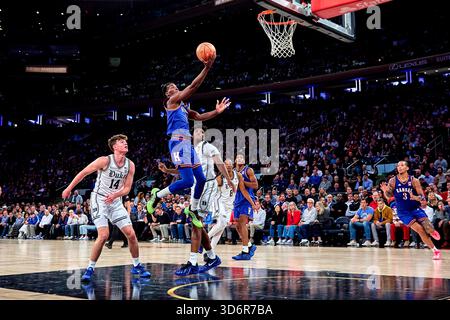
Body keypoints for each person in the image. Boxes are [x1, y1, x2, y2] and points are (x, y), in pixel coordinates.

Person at [145, 54, 231, 276]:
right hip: (178, 141)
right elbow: (193, 86)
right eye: (171, 88)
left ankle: (193, 210)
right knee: (188, 180)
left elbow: (201, 116)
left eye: (175, 86)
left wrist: (218, 112)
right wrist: (207, 68)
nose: (174, 89)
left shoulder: (184, 108)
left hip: (188, 143)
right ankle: (157, 194)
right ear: (167, 95)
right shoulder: (172, 103)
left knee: (200, 179)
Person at [62, 134, 151, 282]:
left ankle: (136, 265)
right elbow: (84, 173)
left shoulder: (130, 165)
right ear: (114, 146)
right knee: (103, 235)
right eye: (122, 142)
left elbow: (127, 188)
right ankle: (90, 268)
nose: (125, 144)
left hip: (115, 200)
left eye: (126, 142)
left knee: (131, 234)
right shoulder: (104, 160)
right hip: (99, 199)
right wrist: (69, 188)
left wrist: (116, 195)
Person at [157, 126, 235, 273]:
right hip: (196, 187)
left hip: (207, 186)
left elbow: (219, 163)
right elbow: (184, 170)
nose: (199, 133)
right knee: (195, 221)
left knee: (196, 221)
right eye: (196, 131)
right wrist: (167, 170)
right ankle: (211, 257)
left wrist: (228, 180)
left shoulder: (207, 147)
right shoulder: (190, 150)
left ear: (204, 135)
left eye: (201, 131)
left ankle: (193, 261)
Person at [381, 161, 441, 260]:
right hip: (403, 212)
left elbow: (422, 197)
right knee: (420, 230)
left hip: (415, 208)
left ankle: (431, 231)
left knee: (428, 228)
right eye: (398, 166)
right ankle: (435, 251)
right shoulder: (393, 180)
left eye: (402, 165)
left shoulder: (414, 180)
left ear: (407, 168)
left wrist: (416, 198)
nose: (399, 167)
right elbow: (389, 196)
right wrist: (384, 191)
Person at [208, 159, 239, 251]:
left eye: (230, 164)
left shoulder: (237, 175)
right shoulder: (220, 178)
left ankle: (210, 249)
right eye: (226, 164)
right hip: (219, 203)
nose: (228, 166)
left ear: (232, 165)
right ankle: (205, 239)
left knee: (222, 226)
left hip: (230, 205)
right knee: (222, 223)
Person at [232, 154, 258, 260]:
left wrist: (243, 182)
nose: (240, 159)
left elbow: (255, 185)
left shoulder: (249, 170)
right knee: (237, 225)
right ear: (235, 160)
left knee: (242, 223)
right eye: (238, 157)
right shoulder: (233, 171)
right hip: (237, 199)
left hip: (247, 199)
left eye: (242, 158)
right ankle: (250, 246)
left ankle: (245, 251)